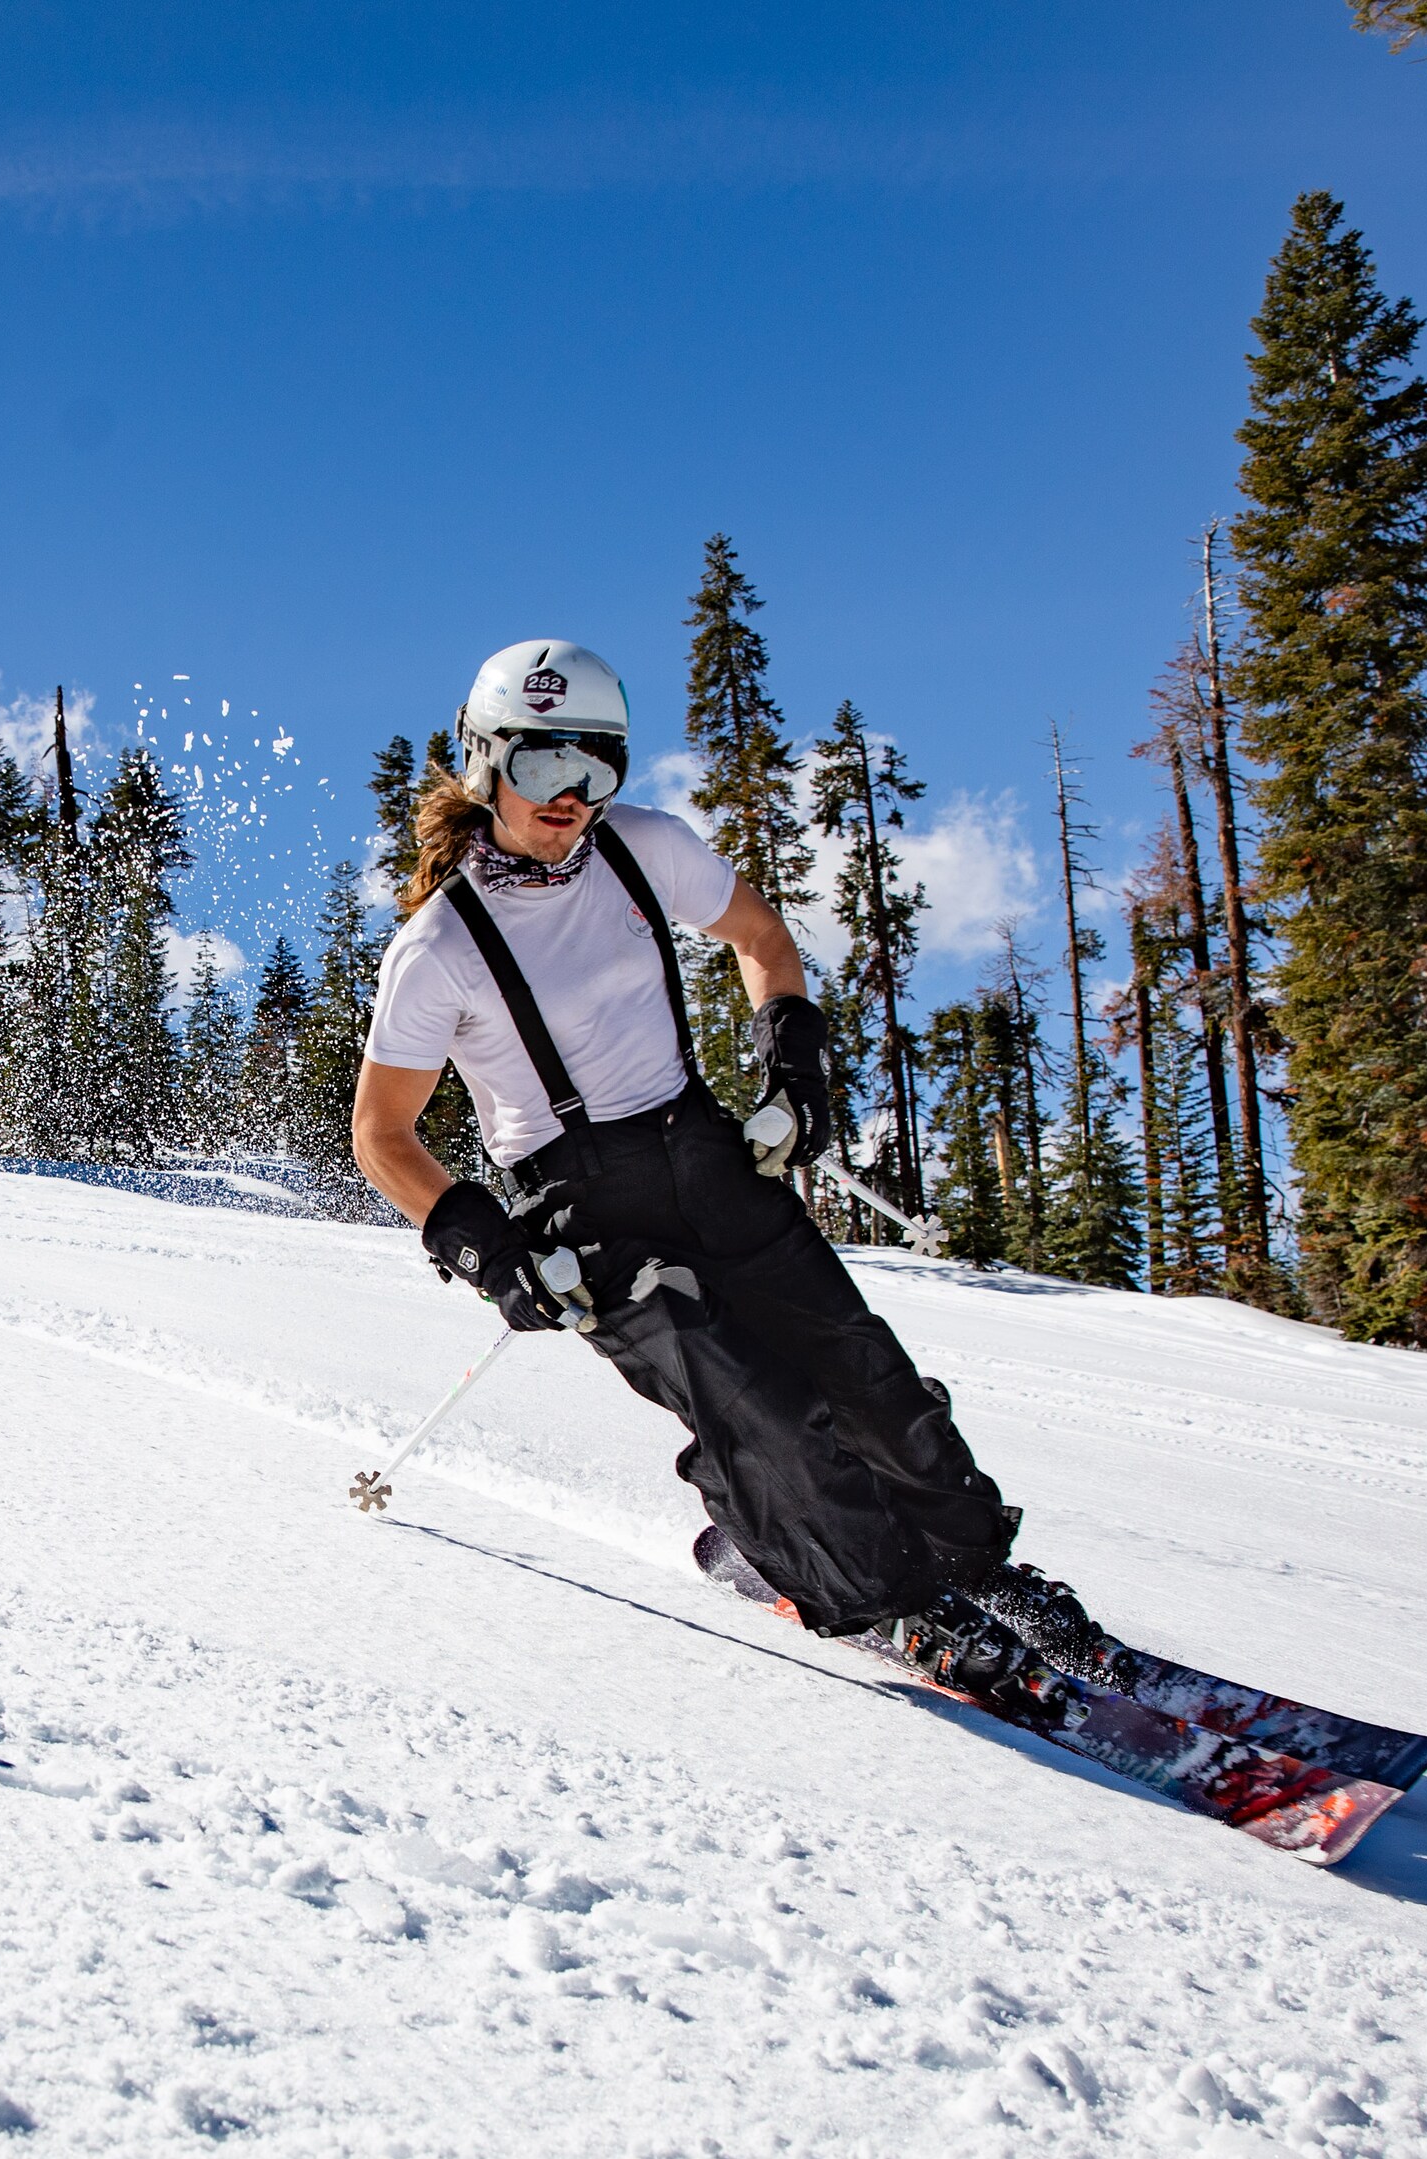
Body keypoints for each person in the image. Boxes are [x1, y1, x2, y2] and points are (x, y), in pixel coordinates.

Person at [351, 638, 1132, 1694]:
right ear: (485, 762)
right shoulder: (441, 947)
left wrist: (793, 1068)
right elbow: (383, 1136)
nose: (572, 795)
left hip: (703, 1149)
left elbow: (763, 939)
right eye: (542, 766)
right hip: (583, 1220)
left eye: (597, 767)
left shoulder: (642, 848)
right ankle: (884, 1602)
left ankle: (974, 1569)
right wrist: (491, 1252)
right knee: (755, 1408)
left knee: (863, 1372)